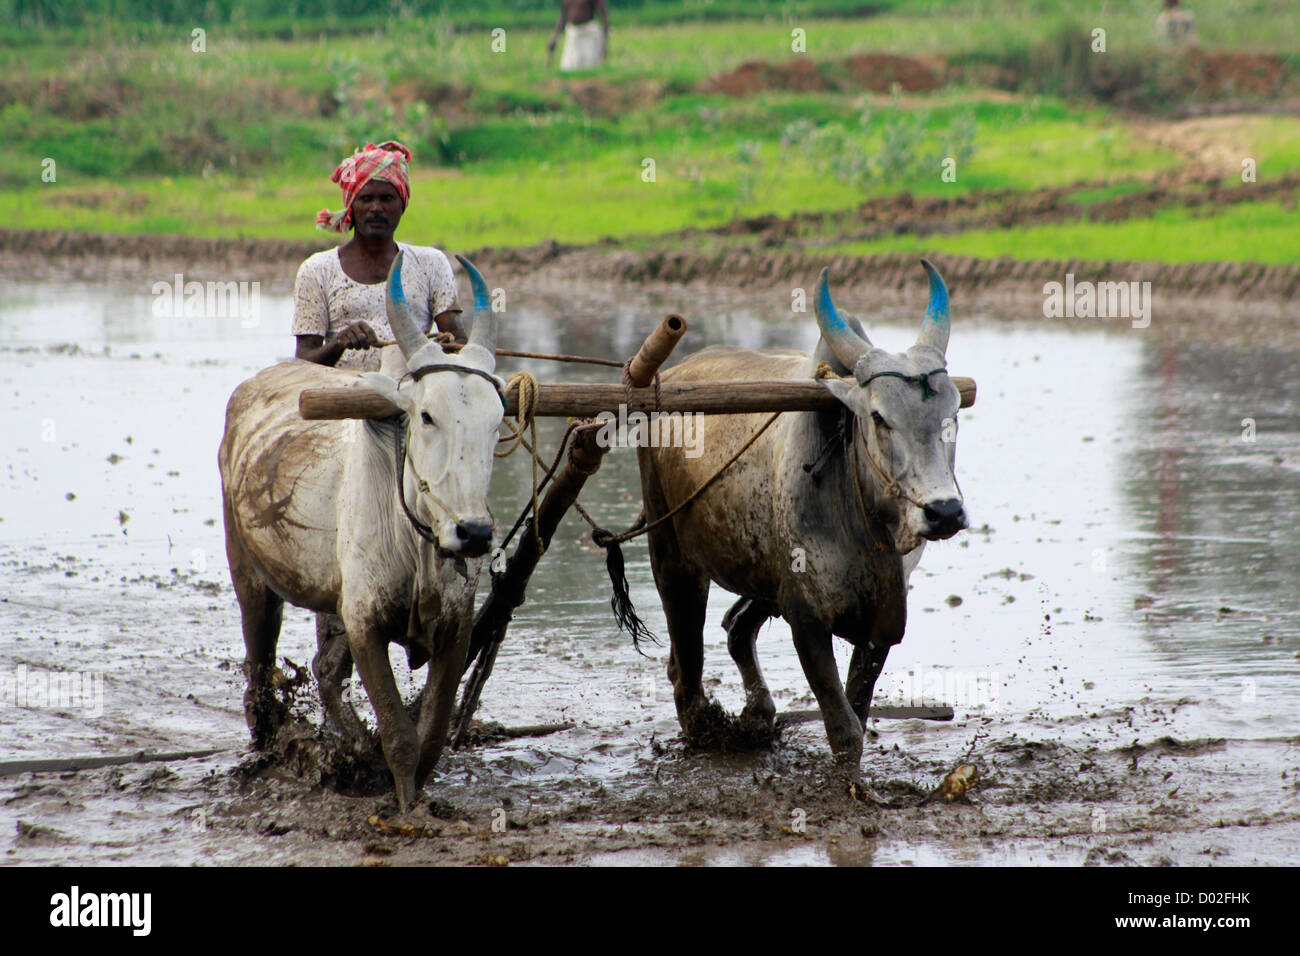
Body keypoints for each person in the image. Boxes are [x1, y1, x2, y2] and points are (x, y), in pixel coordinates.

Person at [293, 140, 465, 374]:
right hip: (341, 396)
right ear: (351, 207)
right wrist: (339, 344)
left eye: (386, 199)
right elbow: (303, 362)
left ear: (402, 205)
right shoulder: (317, 270)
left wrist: (441, 347)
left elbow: (458, 344)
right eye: (366, 199)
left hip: (413, 394)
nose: (376, 208)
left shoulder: (431, 263)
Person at [547, 0, 609, 73]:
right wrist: (555, 36)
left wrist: (604, 43)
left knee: (590, 68)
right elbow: (563, 16)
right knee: (567, 68)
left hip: (589, 35)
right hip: (573, 34)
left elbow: (604, 16)